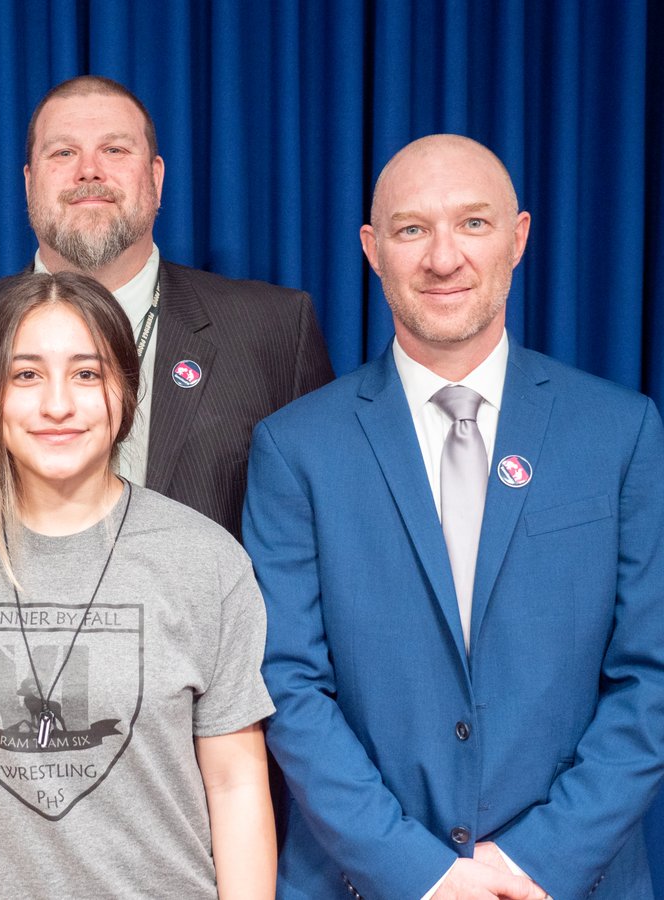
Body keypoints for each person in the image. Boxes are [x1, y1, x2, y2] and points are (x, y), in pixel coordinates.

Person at [244, 134, 664, 898]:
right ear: (373, 249)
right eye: (412, 229)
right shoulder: (294, 449)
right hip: (360, 883)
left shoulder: (621, 433)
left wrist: (536, 862)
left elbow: (652, 676)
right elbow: (290, 685)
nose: (444, 258)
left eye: (473, 223)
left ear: (519, 237)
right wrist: (424, 875)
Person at [0, 271, 276, 899]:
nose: (57, 405)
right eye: (26, 375)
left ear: (126, 391)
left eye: (87, 374)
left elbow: (235, 783)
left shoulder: (207, 561)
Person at [0, 75, 333, 548]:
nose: (89, 171)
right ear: (29, 183)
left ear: (156, 178)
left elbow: (311, 528)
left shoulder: (278, 330)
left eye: (114, 150)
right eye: (63, 153)